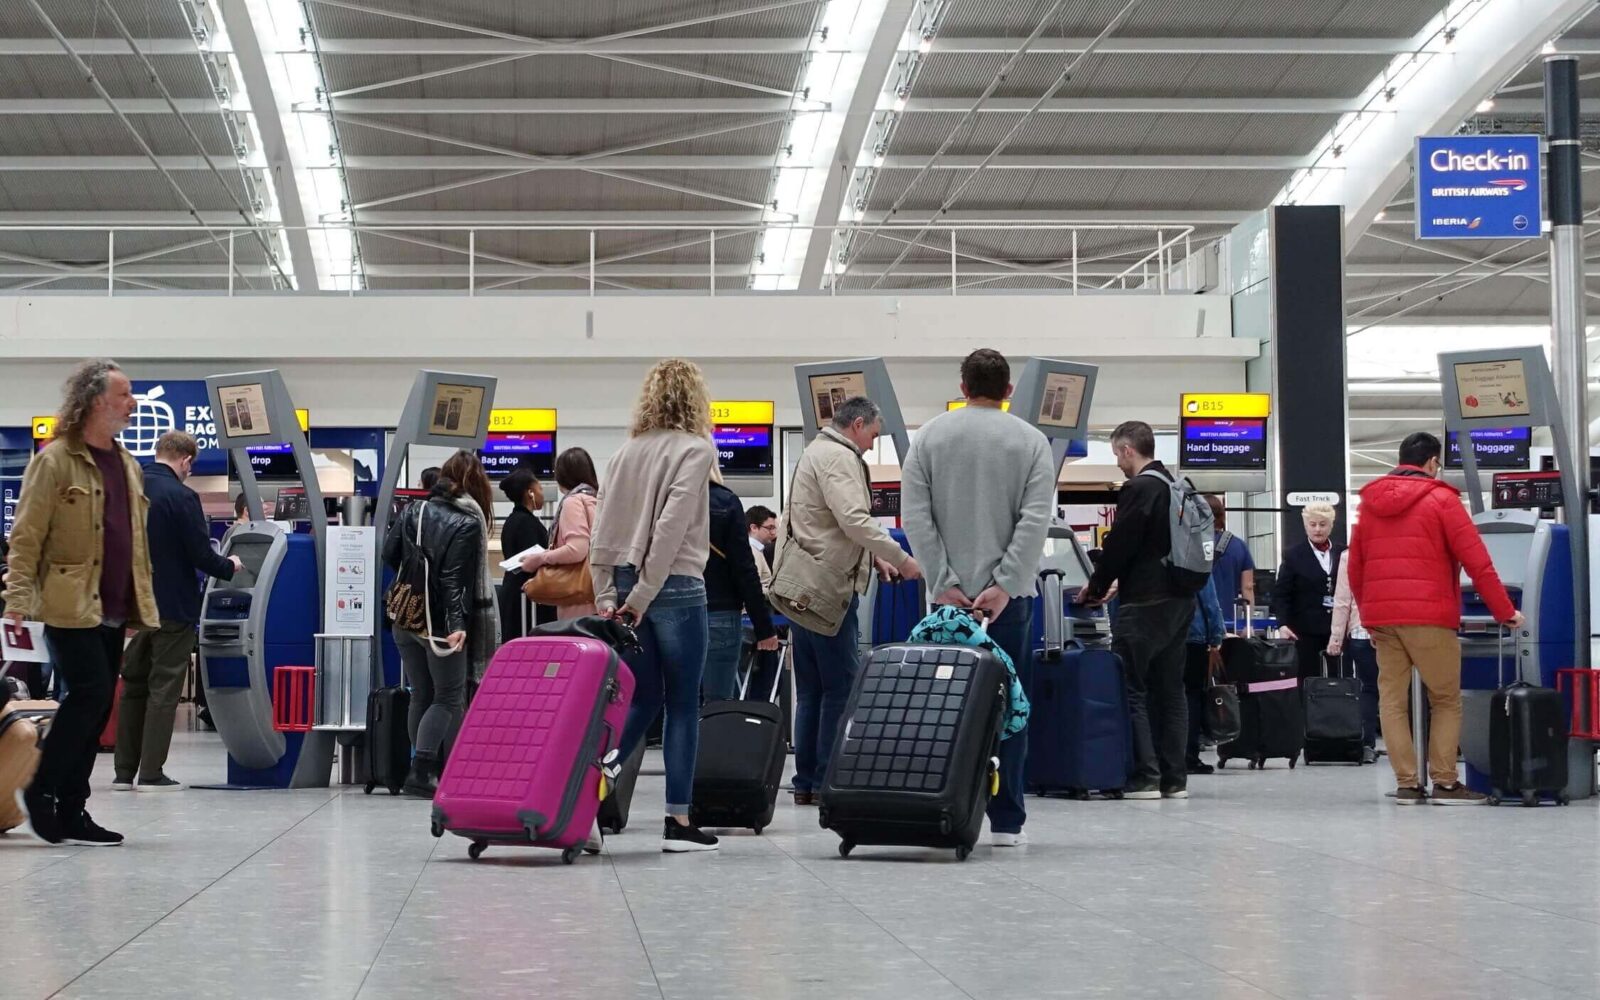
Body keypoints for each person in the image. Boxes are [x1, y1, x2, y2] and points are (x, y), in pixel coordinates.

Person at [901, 348, 1054, 847]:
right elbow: (1034, 522)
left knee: (941, 709)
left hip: (945, 606)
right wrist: (1005, 585)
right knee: (1009, 707)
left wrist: (943, 582)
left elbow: (916, 518)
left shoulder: (928, 437)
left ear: (962, 388)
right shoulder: (1032, 442)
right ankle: (1006, 819)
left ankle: (940, 805)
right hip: (1008, 605)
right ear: (1009, 390)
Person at [3, 359, 158, 846]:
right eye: (125, 395)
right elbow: (26, 536)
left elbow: (132, 540)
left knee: (95, 708)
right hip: (68, 602)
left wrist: (139, 602)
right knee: (88, 694)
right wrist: (16, 601)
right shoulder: (55, 460)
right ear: (95, 401)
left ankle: (73, 810)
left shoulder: (128, 464)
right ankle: (42, 788)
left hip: (113, 606)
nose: (133, 404)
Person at [590, 360, 722, 853]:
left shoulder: (624, 453)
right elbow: (670, 529)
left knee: (641, 699)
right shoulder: (695, 449)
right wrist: (646, 594)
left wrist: (611, 595)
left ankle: (585, 798)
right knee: (684, 702)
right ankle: (678, 822)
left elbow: (602, 531)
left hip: (623, 585)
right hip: (674, 586)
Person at [1348, 432, 1522, 804]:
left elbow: (1356, 567)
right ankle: (1445, 782)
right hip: (1429, 615)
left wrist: (1370, 617)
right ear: (1431, 462)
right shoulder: (1442, 500)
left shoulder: (1370, 503)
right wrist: (1504, 612)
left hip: (1384, 619)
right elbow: (1478, 562)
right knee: (1444, 699)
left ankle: (1408, 784)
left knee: (1391, 702)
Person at [778, 396, 920, 806]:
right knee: (839, 688)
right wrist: (902, 558)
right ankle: (826, 780)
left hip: (801, 587)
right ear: (857, 424)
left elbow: (820, 522)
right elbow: (854, 519)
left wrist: (873, 558)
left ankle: (806, 781)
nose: (872, 445)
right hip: (827, 591)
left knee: (811, 691)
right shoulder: (839, 458)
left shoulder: (813, 453)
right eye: (873, 435)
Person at [113, 432, 242, 792]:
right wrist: (230, 565)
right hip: (173, 606)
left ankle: (123, 771)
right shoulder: (182, 496)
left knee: (134, 685)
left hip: (132, 606)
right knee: (164, 687)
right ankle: (152, 772)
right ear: (186, 460)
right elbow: (201, 555)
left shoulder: (128, 488)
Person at [1081, 420, 1193, 800]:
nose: (1117, 463)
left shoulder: (1139, 488)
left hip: (1144, 602)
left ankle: (1144, 776)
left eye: (1116, 454)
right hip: (1180, 601)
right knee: (1171, 690)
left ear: (1128, 450)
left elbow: (1121, 545)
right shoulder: (1176, 485)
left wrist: (1096, 587)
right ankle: (1174, 779)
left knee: (1133, 688)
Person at [381, 450, 499, 798]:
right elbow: (451, 580)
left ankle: (420, 763)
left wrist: (416, 572)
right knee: (448, 696)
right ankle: (424, 770)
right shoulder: (467, 522)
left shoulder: (414, 510)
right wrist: (457, 624)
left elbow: (390, 554)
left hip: (405, 615)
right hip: (439, 625)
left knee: (422, 692)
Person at [702, 470, 779, 701]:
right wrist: (764, 628)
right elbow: (744, 570)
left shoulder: (660, 498)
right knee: (717, 703)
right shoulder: (724, 501)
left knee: (677, 703)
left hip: (670, 610)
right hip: (719, 609)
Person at [521, 447, 600, 621]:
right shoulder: (597, 500)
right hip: (600, 593)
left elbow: (576, 549)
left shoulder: (573, 502)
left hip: (578, 600)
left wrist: (540, 558)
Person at [1272, 503, 1343, 679]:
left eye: (1322, 524)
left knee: (1340, 678)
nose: (1318, 529)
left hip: (1338, 628)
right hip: (1304, 630)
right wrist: (1282, 624)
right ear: (1305, 526)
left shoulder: (1343, 552)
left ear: (1331, 525)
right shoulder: (1293, 555)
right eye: (1313, 524)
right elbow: (1281, 594)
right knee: (1307, 678)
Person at [1327, 555, 1380, 765]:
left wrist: (1336, 638)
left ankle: (1367, 744)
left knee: (1367, 689)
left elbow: (1342, 601)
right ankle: (1411, 747)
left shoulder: (1350, 556)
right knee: (1399, 692)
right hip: (1397, 630)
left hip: (1361, 631)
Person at [496, 467, 549, 639]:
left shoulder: (513, 520)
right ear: (530, 493)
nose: (542, 493)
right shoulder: (526, 523)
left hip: (513, 593)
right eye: (540, 488)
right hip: (525, 600)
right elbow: (533, 559)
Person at [1183, 576, 1227, 775]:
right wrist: (1217, 635)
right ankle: (1189, 756)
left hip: (1162, 635)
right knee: (1192, 696)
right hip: (1194, 636)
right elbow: (1208, 599)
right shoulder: (1195, 557)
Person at [1206, 494, 1254, 624]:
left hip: (1197, 624)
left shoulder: (1190, 545)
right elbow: (1248, 588)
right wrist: (1249, 624)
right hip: (1227, 622)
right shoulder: (1239, 545)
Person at [747, 504, 777, 592]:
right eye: (770, 528)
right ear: (754, 528)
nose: (773, 533)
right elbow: (752, 587)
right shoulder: (752, 552)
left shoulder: (756, 550)